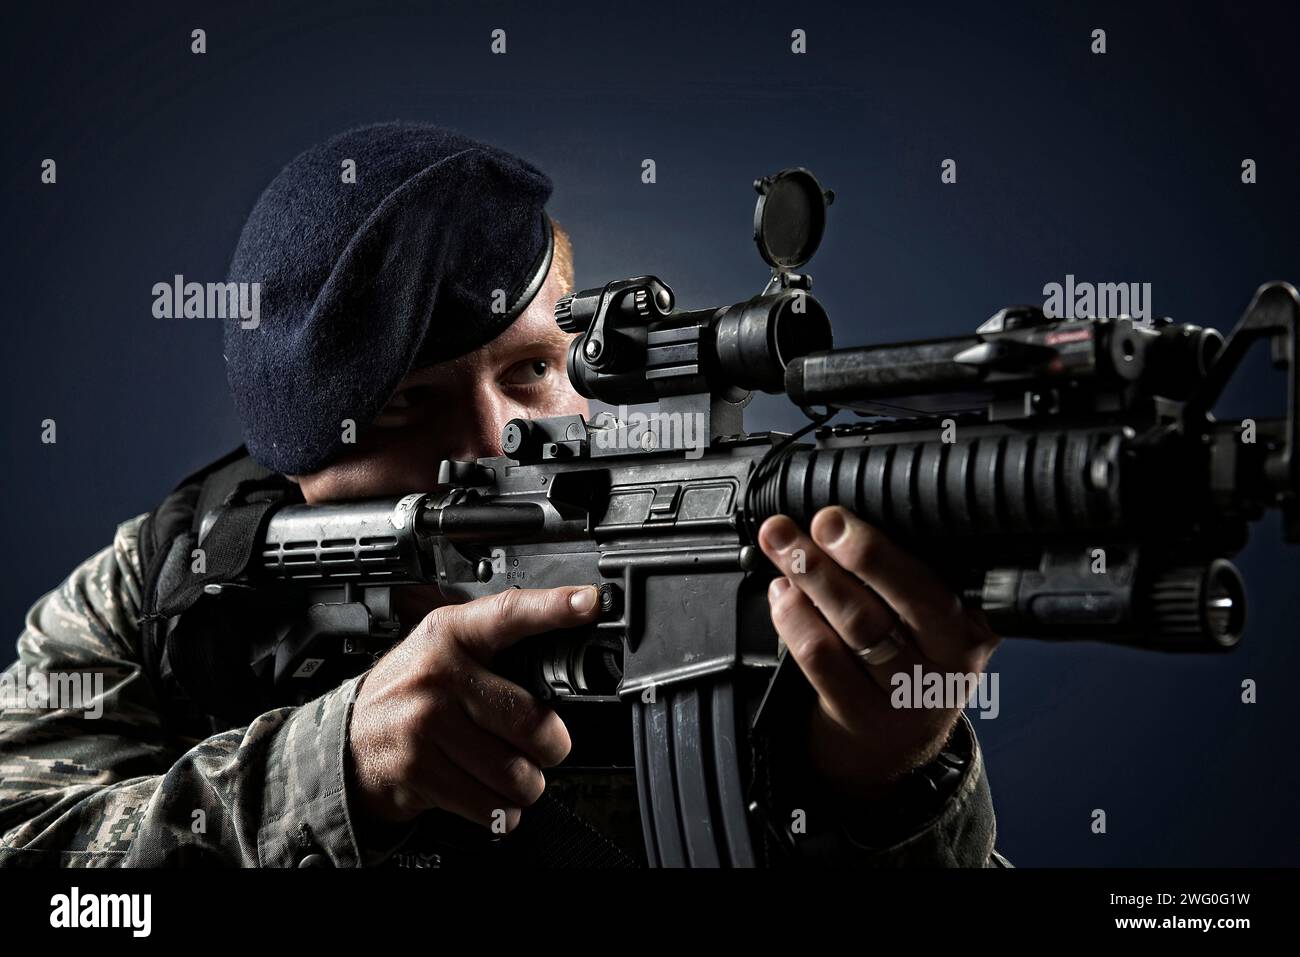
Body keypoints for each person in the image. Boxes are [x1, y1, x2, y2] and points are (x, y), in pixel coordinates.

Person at [0, 123, 1006, 867]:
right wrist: (331, 769)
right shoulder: (161, 591)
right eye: (406, 407)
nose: (490, 438)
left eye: (530, 371)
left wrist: (891, 784)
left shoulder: (760, 567)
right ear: (294, 455)